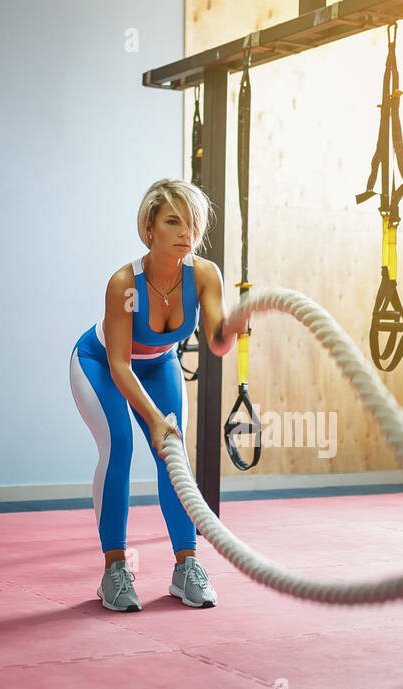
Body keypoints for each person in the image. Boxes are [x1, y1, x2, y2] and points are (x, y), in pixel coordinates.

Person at [68, 179, 248, 612]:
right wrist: (153, 417)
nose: (185, 231)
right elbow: (119, 365)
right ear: (149, 228)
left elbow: (217, 343)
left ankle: (186, 568)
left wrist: (233, 328)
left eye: (191, 223)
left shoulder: (204, 275)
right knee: (121, 447)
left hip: (158, 361)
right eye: (172, 221)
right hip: (102, 363)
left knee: (173, 453)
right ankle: (114, 570)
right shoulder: (123, 284)